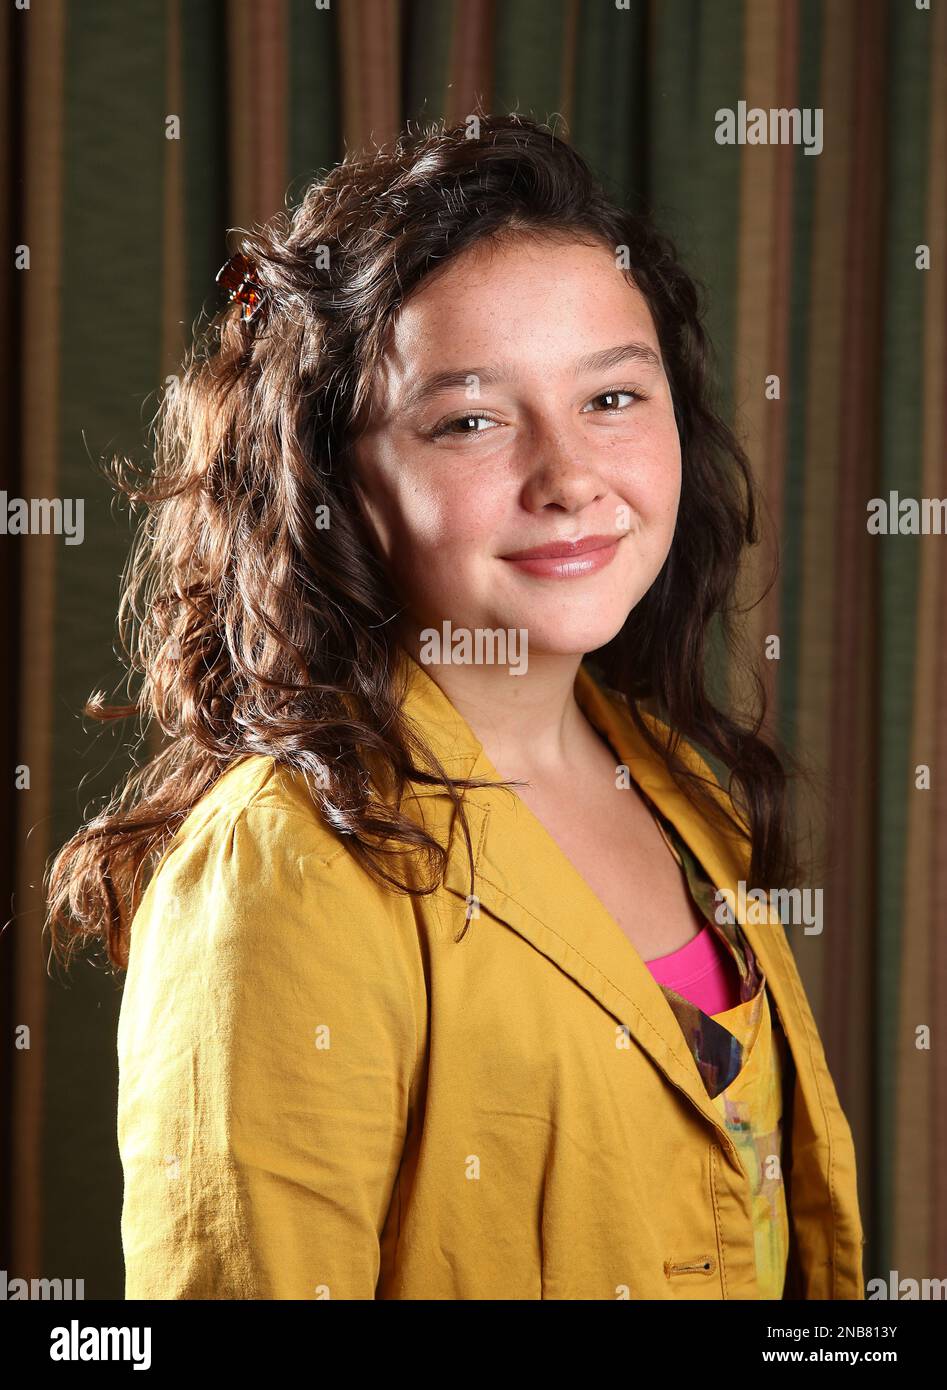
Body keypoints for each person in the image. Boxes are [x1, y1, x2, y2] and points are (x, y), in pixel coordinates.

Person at [46, 112, 865, 1300]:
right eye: (470, 420)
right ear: (333, 481)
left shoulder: (680, 788)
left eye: (612, 398)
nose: (568, 476)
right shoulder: (284, 863)